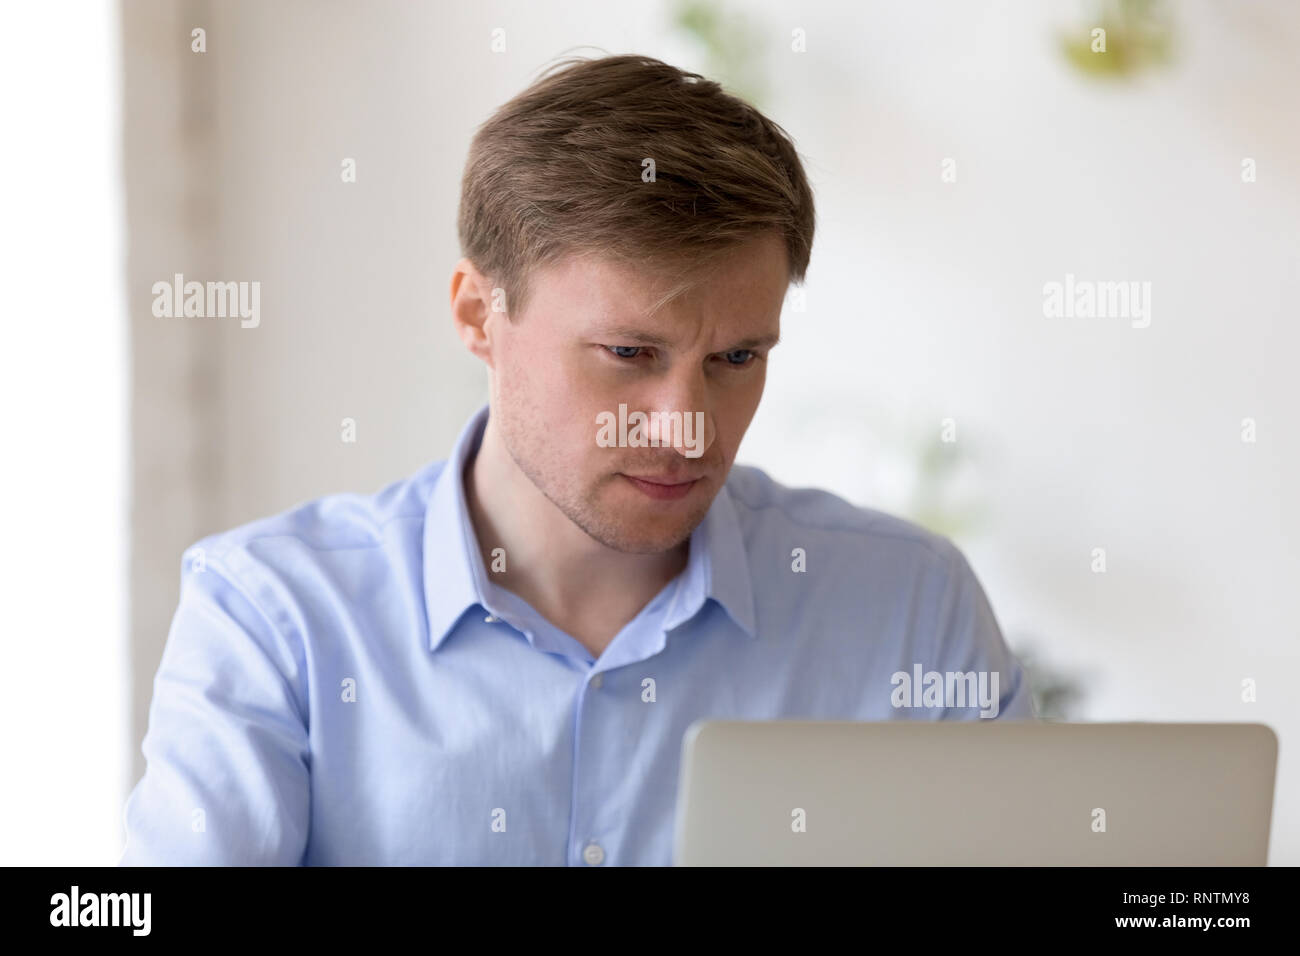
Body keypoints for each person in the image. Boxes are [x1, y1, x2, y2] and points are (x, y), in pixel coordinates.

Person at [119, 53, 1034, 867]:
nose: (685, 428)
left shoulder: (909, 608)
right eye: (629, 355)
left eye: (737, 359)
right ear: (480, 316)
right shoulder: (275, 621)